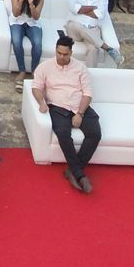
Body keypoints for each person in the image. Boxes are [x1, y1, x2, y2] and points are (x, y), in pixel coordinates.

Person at [33, 35, 101, 193]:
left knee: (95, 133)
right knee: (63, 134)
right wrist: (42, 103)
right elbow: (36, 87)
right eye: (59, 53)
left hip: (79, 106)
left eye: (65, 54)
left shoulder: (80, 68)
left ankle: (74, 170)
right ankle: (80, 175)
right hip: (57, 107)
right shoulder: (45, 67)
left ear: (71, 53)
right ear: (56, 50)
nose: (61, 57)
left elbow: (88, 93)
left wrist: (80, 114)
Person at [7, 0, 45, 80]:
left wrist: (31, 3)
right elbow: (15, 13)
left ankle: (34, 71)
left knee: (37, 44)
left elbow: (36, 17)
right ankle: (22, 70)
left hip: (33, 23)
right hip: (17, 21)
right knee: (17, 42)